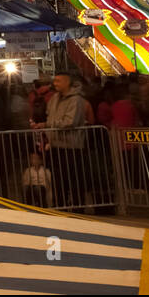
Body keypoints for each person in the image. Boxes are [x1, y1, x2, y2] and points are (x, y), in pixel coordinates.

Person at [37, 72, 88, 210]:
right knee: (58, 179)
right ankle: (60, 205)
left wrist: (48, 125)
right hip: (56, 145)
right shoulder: (54, 98)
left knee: (74, 178)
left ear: (67, 82)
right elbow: (49, 115)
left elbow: (70, 121)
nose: (55, 83)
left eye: (59, 81)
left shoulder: (76, 100)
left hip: (71, 145)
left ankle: (78, 206)